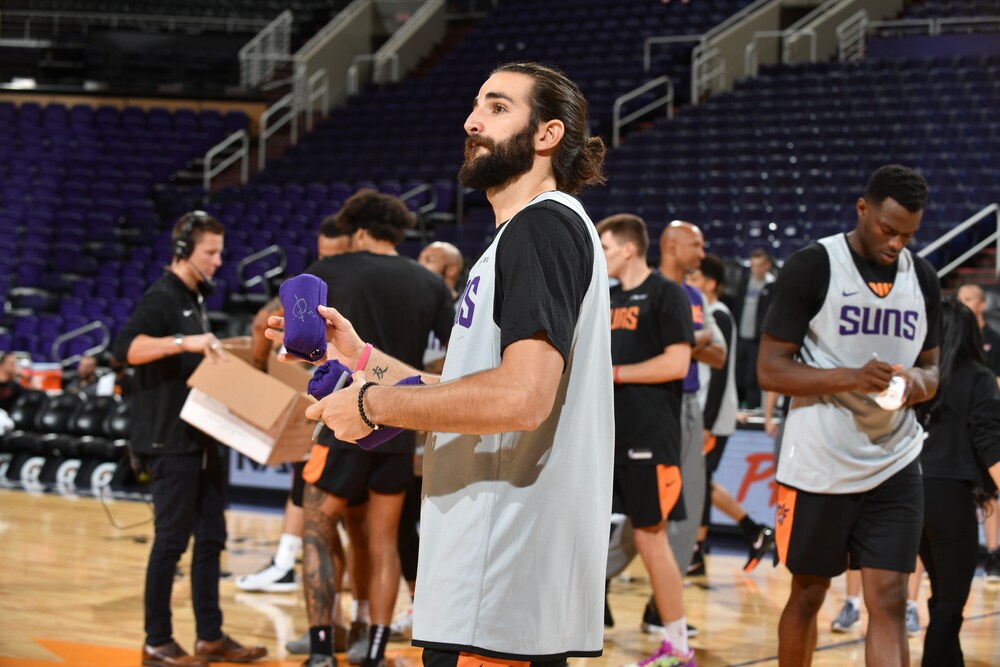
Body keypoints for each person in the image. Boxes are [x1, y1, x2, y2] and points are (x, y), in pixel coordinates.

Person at [271, 61, 614, 667]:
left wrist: (370, 406)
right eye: (477, 104)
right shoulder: (521, 236)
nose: (472, 120)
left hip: (502, 573)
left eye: (498, 107)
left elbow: (520, 399)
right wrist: (362, 360)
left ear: (547, 134)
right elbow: (472, 389)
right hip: (493, 573)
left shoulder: (542, 229)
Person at [757, 164, 941, 667]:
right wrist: (852, 378)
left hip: (896, 461)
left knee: (888, 599)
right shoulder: (814, 266)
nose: (897, 243)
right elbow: (770, 370)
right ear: (863, 210)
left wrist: (912, 387)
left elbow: (932, 371)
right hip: (819, 461)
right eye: (888, 229)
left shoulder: (921, 277)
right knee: (809, 593)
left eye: (908, 234)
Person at [296, 189, 455, 667]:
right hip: (400, 418)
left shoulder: (331, 271)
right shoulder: (429, 282)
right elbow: (458, 351)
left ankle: (323, 649)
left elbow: (298, 339)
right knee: (385, 539)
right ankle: (378, 647)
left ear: (359, 231)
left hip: (344, 415)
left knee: (318, 527)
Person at [112, 211, 267, 667]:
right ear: (183, 251)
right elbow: (126, 348)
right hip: (169, 441)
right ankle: (156, 641)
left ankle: (209, 636)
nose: (220, 261)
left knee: (213, 538)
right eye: (211, 252)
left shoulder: (195, 296)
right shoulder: (162, 297)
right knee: (171, 542)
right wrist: (184, 341)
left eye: (220, 251)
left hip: (202, 439)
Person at [598, 213, 696, 667]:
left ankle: (678, 647)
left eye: (605, 247)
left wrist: (613, 374)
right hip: (609, 436)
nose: (600, 254)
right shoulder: (605, 297)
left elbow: (677, 364)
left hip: (650, 438)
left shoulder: (666, 294)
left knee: (651, 538)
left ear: (629, 248)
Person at [914, 297, 1000, 665]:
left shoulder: (918, 376)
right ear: (969, 332)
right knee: (951, 599)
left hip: (909, 492)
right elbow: (989, 440)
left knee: (940, 591)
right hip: (950, 495)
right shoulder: (979, 377)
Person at [391, 240, 465, 642]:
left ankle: (446, 608)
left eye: (430, 260)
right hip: (410, 426)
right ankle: (418, 604)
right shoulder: (411, 306)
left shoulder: (463, 311)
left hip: (449, 428)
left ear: (451, 271)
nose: (420, 265)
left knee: (445, 523)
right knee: (403, 522)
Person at [687, 255, 774, 576]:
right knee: (700, 481)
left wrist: (708, 423)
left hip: (714, 416)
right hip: (706, 413)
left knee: (698, 482)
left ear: (710, 283)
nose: (690, 282)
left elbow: (722, 374)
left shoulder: (718, 315)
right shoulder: (704, 315)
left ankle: (738, 534)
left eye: (695, 278)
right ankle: (745, 534)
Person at [955, 282, 1000, 582]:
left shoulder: (994, 341)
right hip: (957, 425)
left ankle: (994, 555)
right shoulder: (952, 339)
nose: (964, 304)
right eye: (960, 299)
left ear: (982, 304)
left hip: (986, 420)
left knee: (988, 492)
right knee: (956, 492)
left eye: (969, 299)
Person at [733, 248, 775, 409]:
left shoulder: (772, 286)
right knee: (738, 374)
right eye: (753, 265)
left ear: (767, 265)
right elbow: (737, 307)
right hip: (741, 337)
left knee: (753, 377)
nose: (756, 269)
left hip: (758, 340)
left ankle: (753, 410)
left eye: (760, 265)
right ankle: (737, 410)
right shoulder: (744, 283)